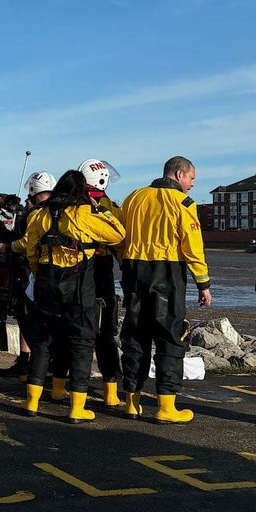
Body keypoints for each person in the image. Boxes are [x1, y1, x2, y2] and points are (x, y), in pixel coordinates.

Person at [13, 165, 125, 423]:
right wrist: (98, 210)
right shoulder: (84, 213)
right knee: (82, 342)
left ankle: (31, 402)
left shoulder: (40, 215)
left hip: (45, 284)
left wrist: (36, 270)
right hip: (78, 286)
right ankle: (77, 408)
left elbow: (29, 248)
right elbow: (119, 233)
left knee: (43, 342)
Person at [118, 155, 211, 424]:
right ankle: (166, 406)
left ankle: (132, 403)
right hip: (167, 275)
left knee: (135, 337)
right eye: (192, 178)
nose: (193, 185)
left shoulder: (134, 198)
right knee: (171, 337)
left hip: (134, 273)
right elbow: (193, 247)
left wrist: (124, 263)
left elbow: (119, 236)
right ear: (179, 174)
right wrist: (203, 284)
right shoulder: (183, 203)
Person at [0, 170, 55, 379]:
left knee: (27, 317)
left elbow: (24, 242)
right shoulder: (59, 211)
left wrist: (7, 245)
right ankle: (32, 362)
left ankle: (30, 363)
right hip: (55, 274)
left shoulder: (33, 215)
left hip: (31, 272)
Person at [82, 159, 125, 407]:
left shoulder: (72, 204)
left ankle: (65, 383)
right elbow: (121, 237)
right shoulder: (108, 205)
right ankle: (111, 390)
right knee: (106, 331)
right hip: (102, 269)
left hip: (76, 270)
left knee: (78, 330)